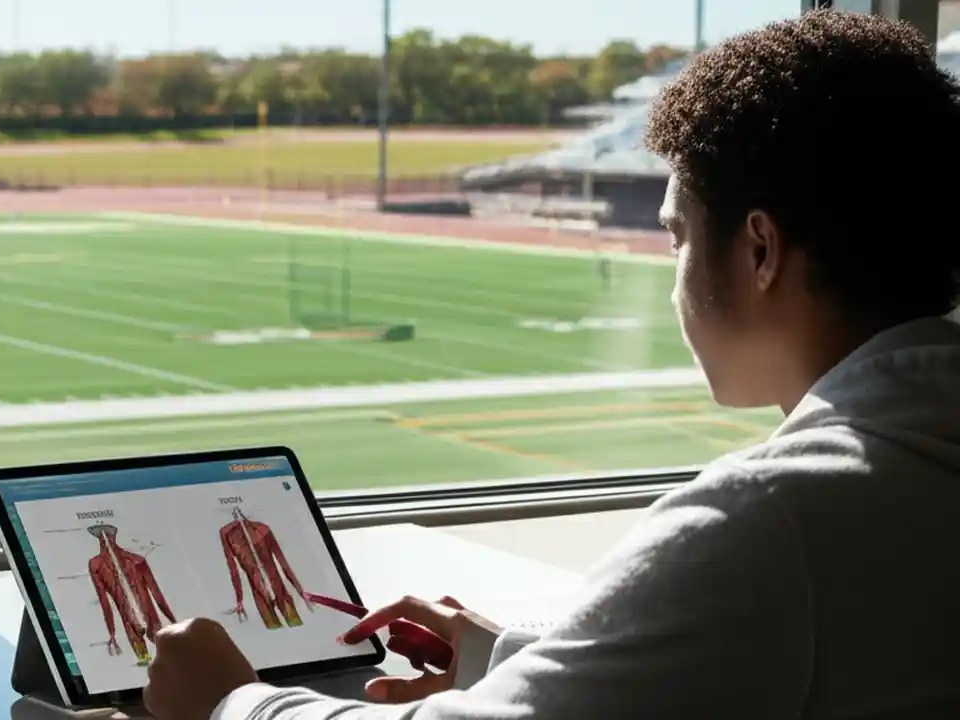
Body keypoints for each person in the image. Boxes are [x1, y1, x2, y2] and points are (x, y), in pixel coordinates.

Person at [143, 10, 960, 720]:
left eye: (676, 237)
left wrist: (229, 700)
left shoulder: (767, 521)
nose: (673, 279)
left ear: (760, 251)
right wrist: (506, 659)